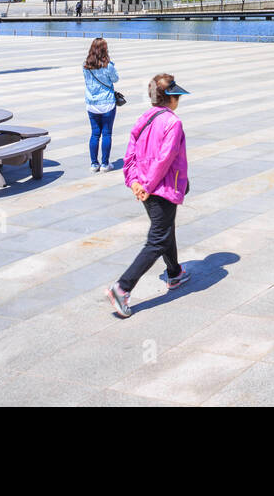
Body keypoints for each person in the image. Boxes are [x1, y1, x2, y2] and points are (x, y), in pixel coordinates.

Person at [106, 74, 193, 318]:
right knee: (157, 239)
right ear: (171, 98)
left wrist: (134, 180)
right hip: (161, 187)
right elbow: (164, 158)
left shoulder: (144, 118)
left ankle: (174, 273)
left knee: (164, 228)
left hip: (146, 184)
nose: (179, 101)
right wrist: (147, 185)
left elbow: (130, 152)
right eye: (177, 96)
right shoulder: (172, 123)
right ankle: (122, 287)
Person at [82, 37, 120, 172]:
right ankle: (105, 164)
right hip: (107, 103)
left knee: (95, 134)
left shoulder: (85, 65)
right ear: (105, 50)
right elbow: (115, 79)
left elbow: (87, 82)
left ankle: (94, 164)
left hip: (92, 103)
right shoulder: (108, 66)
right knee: (107, 133)